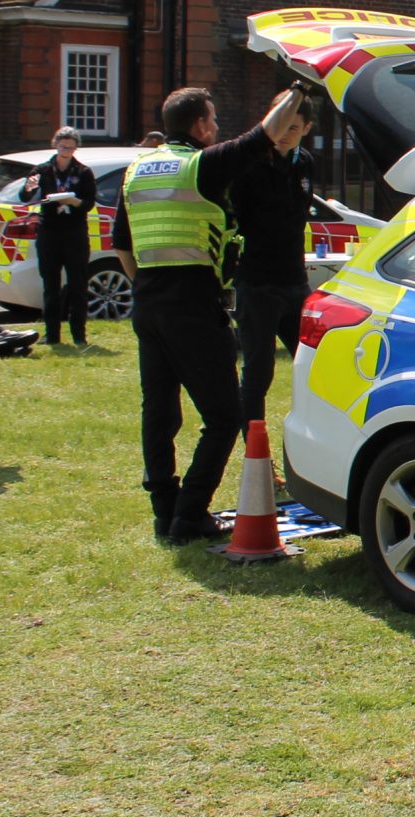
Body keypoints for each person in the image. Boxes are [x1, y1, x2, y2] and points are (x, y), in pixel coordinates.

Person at [115, 83, 309, 543]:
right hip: (194, 306)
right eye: (214, 118)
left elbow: (122, 245)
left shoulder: (136, 170)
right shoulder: (199, 166)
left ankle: (165, 511)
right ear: (201, 125)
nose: (218, 126)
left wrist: (148, 286)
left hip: (148, 304)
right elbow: (265, 135)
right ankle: (190, 516)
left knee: (159, 413)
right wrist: (299, 89)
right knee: (224, 416)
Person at [229, 99, 316, 433]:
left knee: (312, 365)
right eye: (280, 125)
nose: (283, 134)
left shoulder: (304, 163)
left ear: (306, 129)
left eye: (293, 128)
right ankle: (255, 450)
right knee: (258, 371)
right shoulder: (249, 162)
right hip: (257, 282)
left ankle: (313, 440)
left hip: (295, 281)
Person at [21, 127, 98, 346]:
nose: (66, 152)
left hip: (75, 233)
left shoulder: (83, 172)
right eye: (63, 147)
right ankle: (52, 334)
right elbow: (25, 196)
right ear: (55, 145)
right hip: (49, 231)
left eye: (71, 148)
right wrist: (29, 187)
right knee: (50, 285)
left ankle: (79, 335)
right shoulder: (42, 170)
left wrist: (73, 201)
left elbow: (88, 203)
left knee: (78, 285)